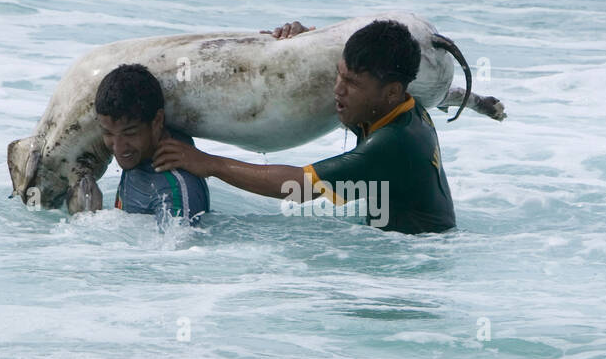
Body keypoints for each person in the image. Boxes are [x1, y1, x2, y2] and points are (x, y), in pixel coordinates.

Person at [152, 19, 455, 234]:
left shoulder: (392, 143)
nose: (338, 89)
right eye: (339, 74)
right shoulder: (398, 106)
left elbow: (297, 187)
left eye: (351, 83)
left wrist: (209, 164)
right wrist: (304, 47)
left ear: (391, 91)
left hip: (415, 256)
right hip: (410, 243)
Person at [87, 63, 209, 223]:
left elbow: (182, 246)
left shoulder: (175, 189)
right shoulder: (141, 153)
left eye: (129, 133)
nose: (118, 148)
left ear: (157, 120)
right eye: (108, 133)